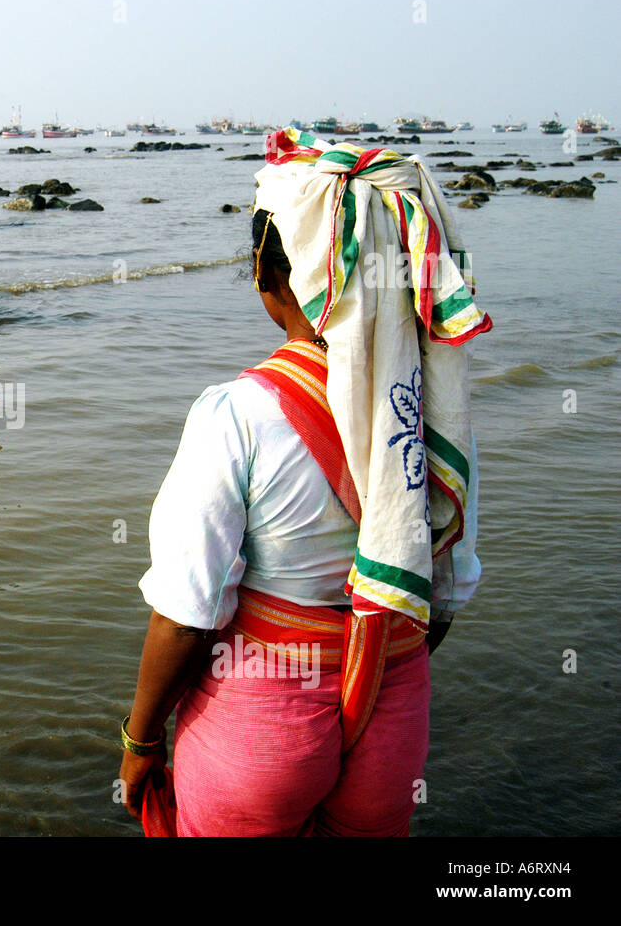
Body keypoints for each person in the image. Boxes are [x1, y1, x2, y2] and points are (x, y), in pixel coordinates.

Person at [119, 127, 492, 837]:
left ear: (270, 270)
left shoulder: (239, 414)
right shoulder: (434, 416)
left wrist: (139, 742)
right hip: (393, 710)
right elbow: (446, 590)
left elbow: (184, 613)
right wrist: (364, 664)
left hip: (260, 726)